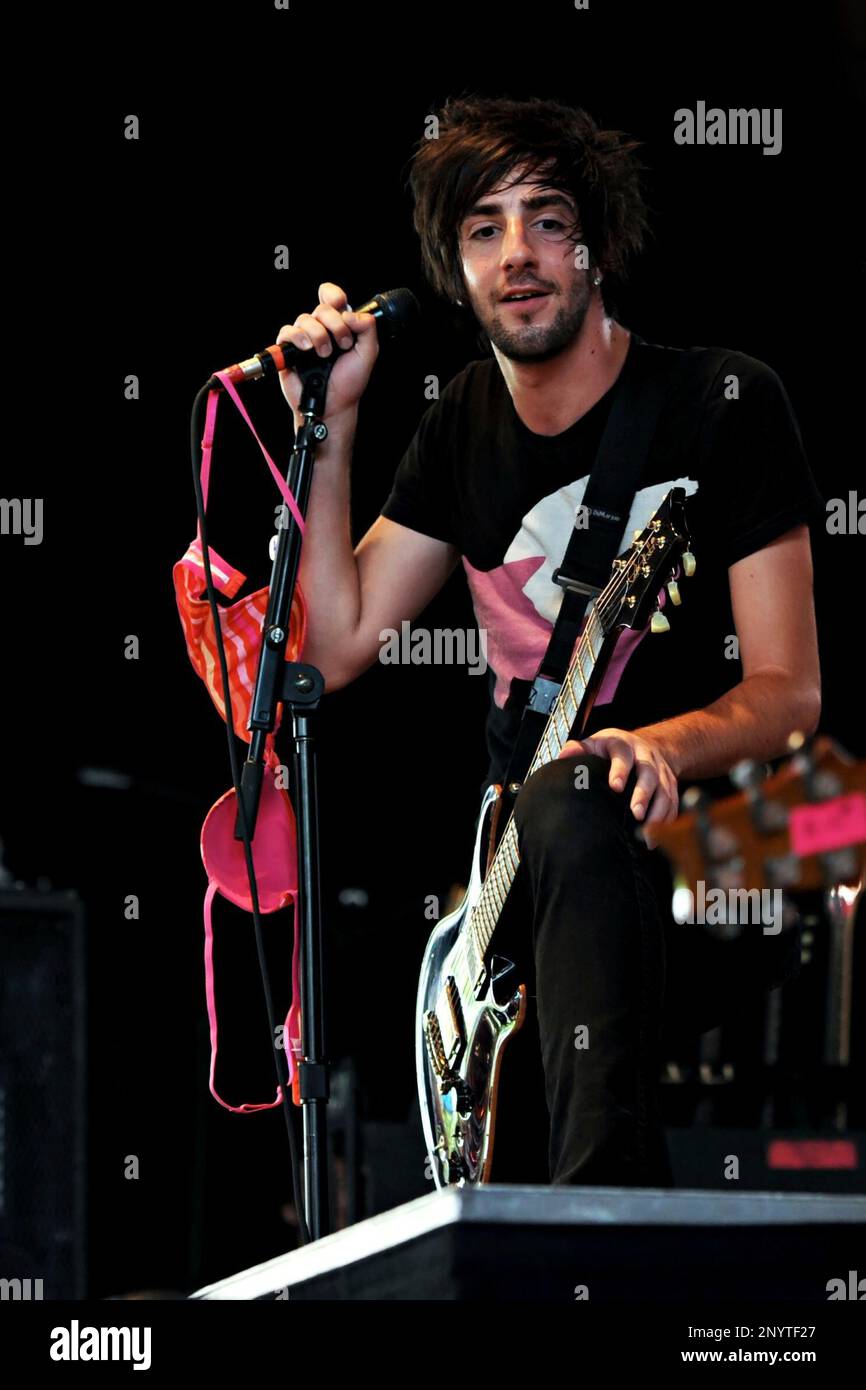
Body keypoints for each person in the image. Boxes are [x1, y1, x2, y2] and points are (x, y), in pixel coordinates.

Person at [275, 95, 824, 1187]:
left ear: (598, 248)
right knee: (559, 817)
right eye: (484, 229)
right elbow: (330, 650)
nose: (516, 253)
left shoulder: (721, 402)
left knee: (579, 796)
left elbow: (790, 692)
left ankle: (605, 1237)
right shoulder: (459, 424)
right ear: (456, 267)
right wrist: (327, 424)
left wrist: (658, 745)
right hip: (531, 883)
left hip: (745, 844)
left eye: (547, 220)